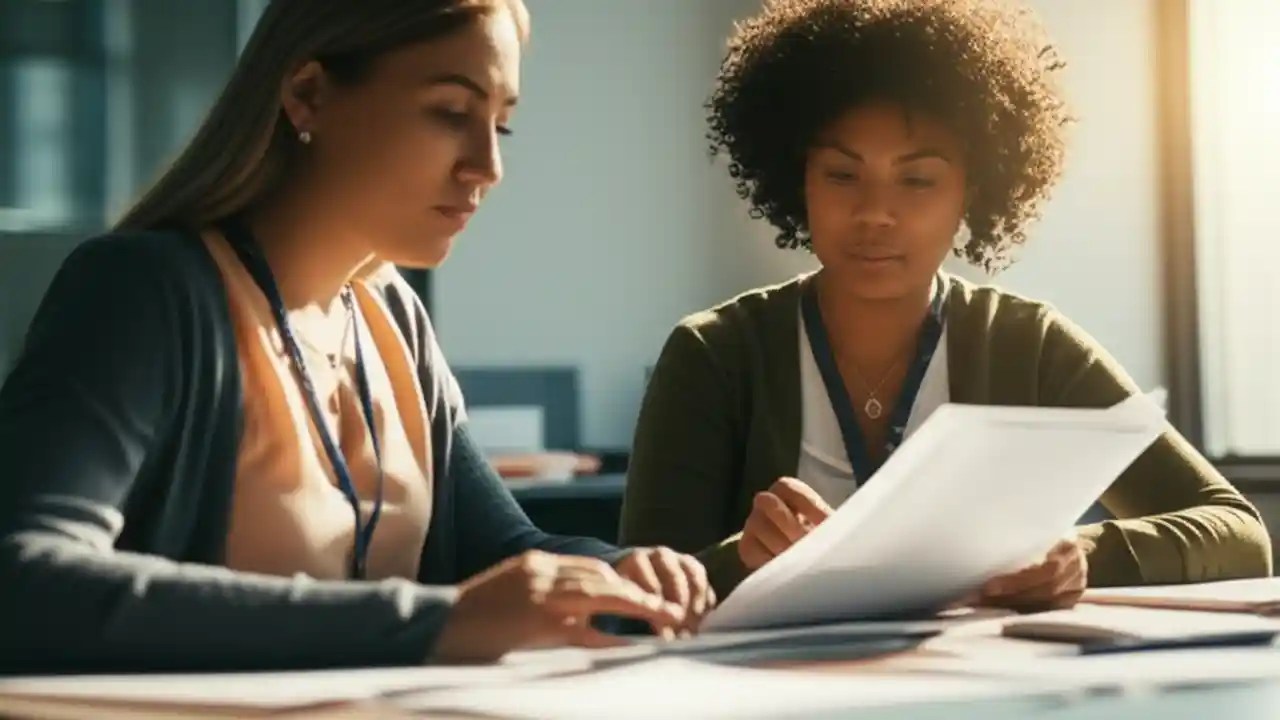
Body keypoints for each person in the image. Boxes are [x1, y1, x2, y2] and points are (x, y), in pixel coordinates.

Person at [0, 0, 713, 674]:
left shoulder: (392, 316)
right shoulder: (144, 290)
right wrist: (436, 623)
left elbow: (505, 550)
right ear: (308, 95)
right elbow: (23, 579)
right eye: (450, 112)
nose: (487, 168)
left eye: (500, 126)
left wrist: (621, 572)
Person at [619, 0, 1271, 610]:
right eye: (842, 175)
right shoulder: (716, 354)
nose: (875, 213)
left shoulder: (1029, 345)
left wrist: (1078, 555)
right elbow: (635, 590)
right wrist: (742, 559)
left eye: (918, 180)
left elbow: (1239, 532)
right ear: (800, 181)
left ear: (972, 191)